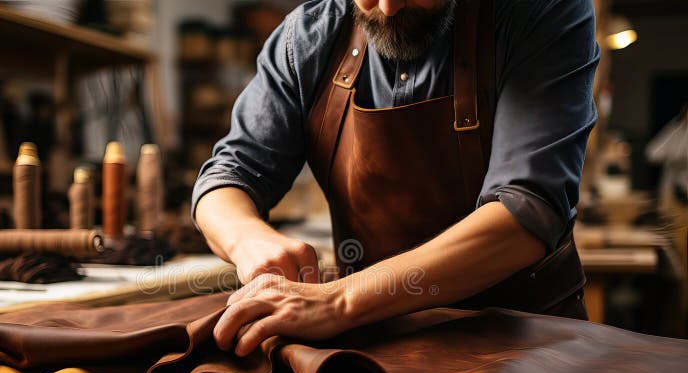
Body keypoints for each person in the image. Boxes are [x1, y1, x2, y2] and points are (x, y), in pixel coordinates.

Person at [193, 0, 601, 355]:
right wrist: (250, 239)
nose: (387, 7)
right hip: (375, 347)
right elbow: (228, 175)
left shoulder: (542, 11)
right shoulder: (306, 38)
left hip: (525, 346)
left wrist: (337, 303)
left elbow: (527, 210)